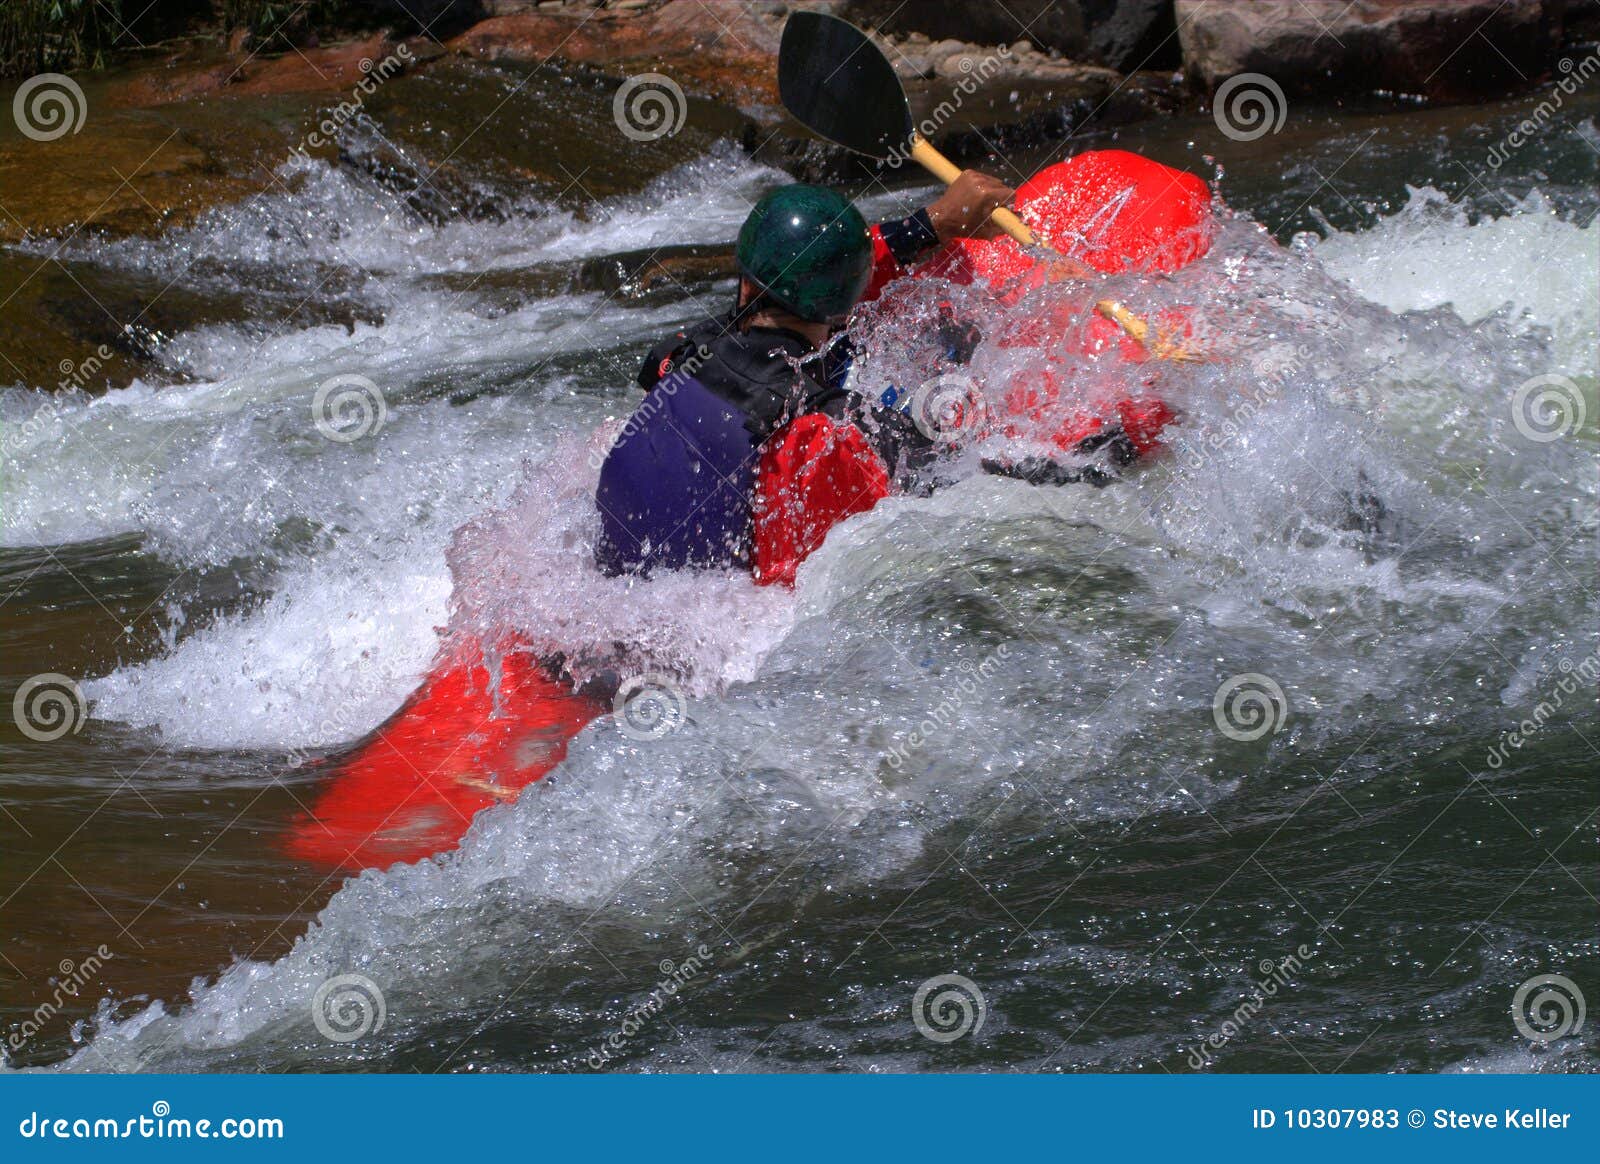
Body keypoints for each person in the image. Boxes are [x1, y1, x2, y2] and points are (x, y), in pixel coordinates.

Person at [593, 172, 1013, 581]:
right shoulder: (824, 430)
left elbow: (792, 280)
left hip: (602, 595)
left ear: (745, 281)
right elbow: (956, 462)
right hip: (716, 637)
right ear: (847, 307)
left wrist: (926, 226)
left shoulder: (680, 353)